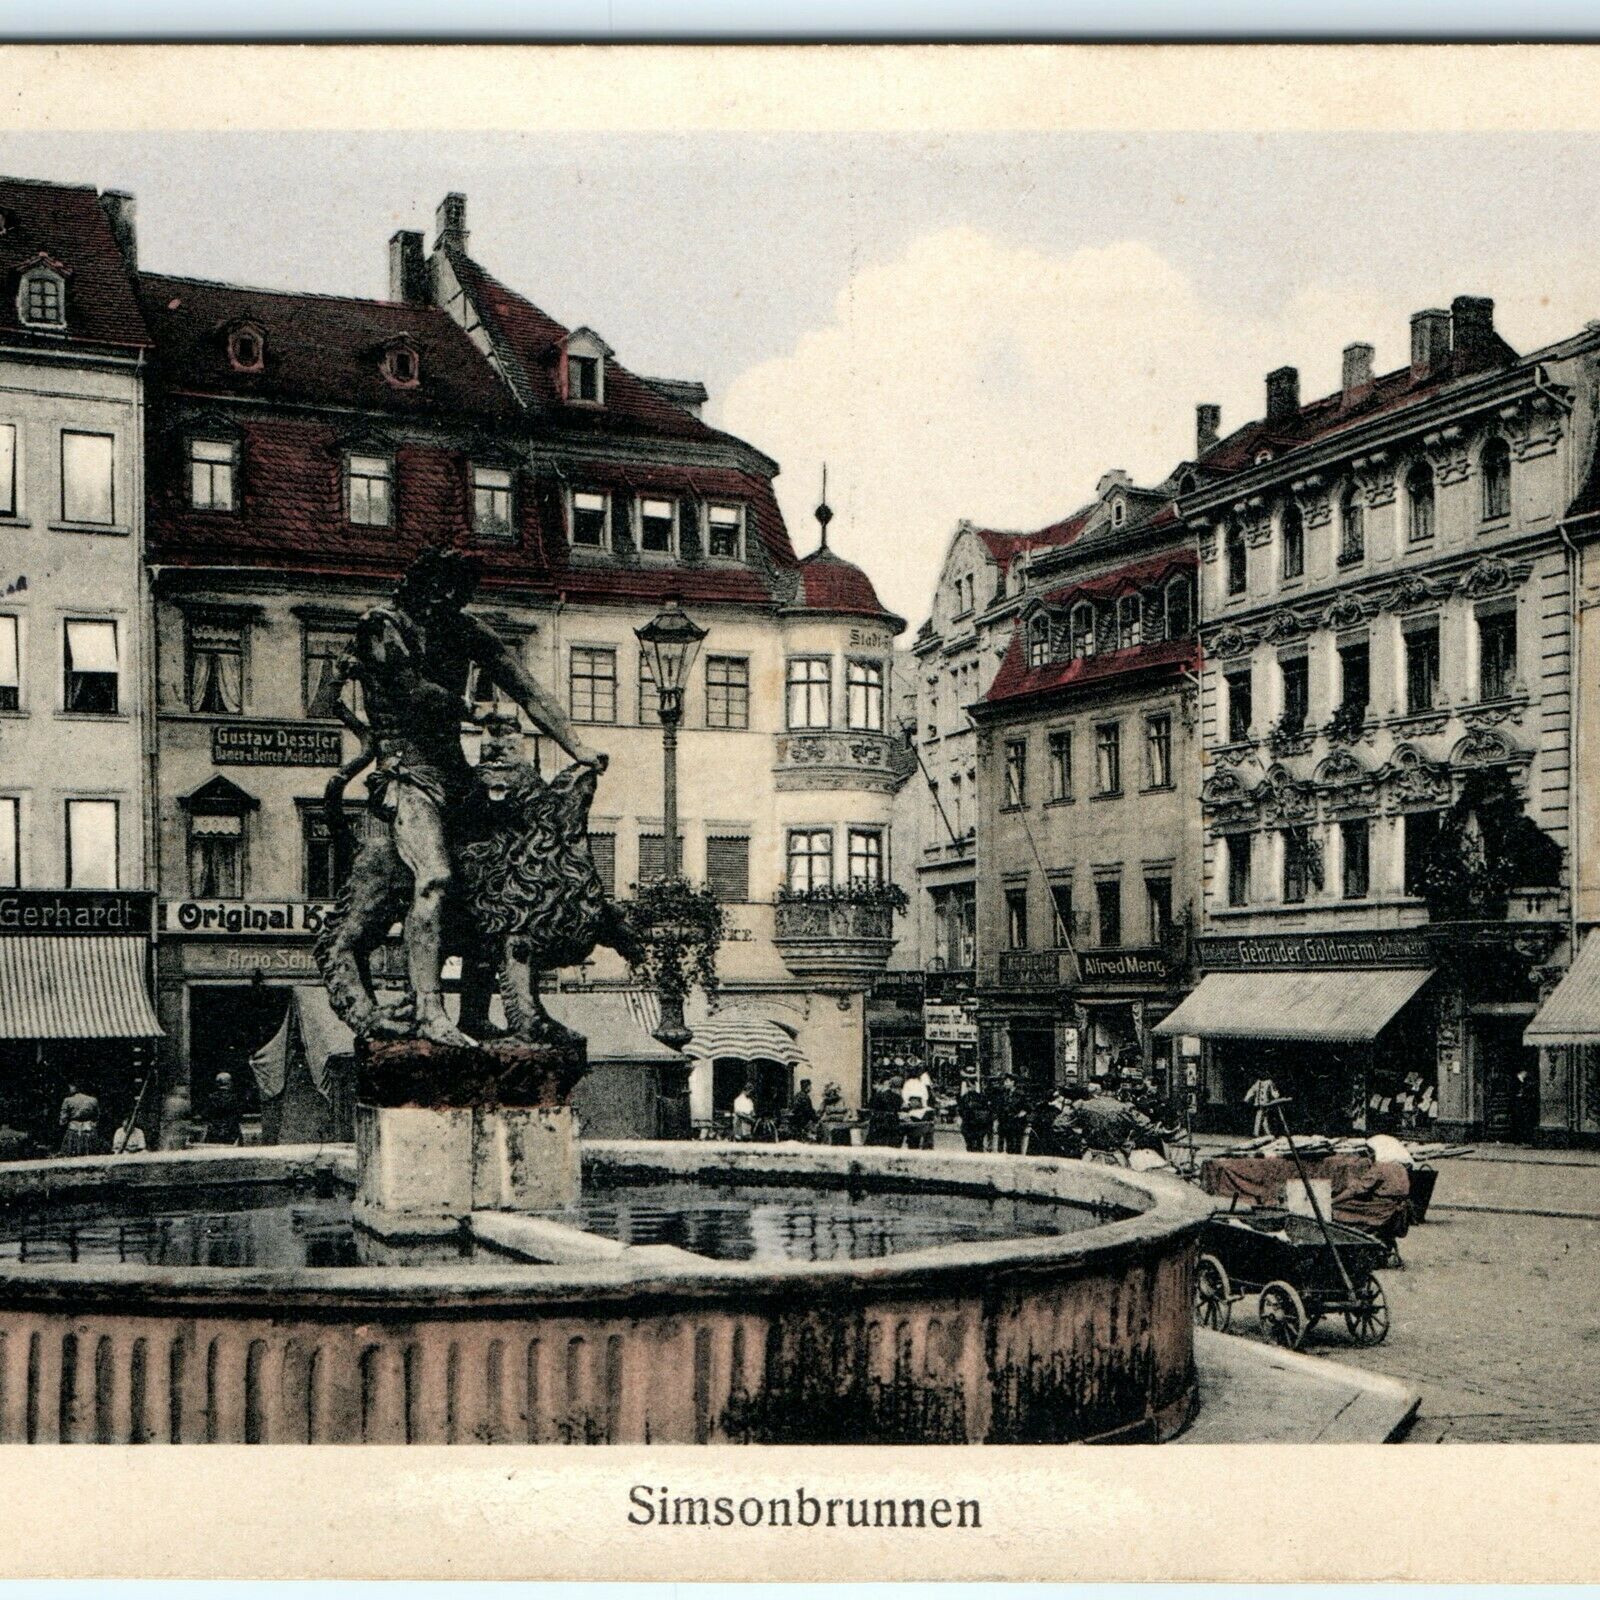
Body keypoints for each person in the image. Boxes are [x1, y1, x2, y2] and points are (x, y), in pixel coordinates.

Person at [321, 548, 608, 1047]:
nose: (451, 600)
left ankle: (477, 1013)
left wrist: (577, 747)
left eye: (460, 593)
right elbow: (412, 690)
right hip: (406, 775)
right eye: (443, 589)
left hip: (457, 778)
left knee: (503, 880)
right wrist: (474, 711)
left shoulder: (464, 627)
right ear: (418, 583)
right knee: (434, 879)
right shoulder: (380, 626)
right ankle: (431, 1011)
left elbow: (530, 691)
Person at [58, 1081, 101, 1157]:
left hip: (73, 1131)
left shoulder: (68, 1100)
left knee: (71, 1154)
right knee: (91, 1154)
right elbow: (97, 1117)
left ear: (75, 1087)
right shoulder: (93, 1100)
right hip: (89, 1131)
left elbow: (63, 1120)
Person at [202, 1072, 243, 1146]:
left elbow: (205, 1115)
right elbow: (239, 1115)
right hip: (231, 1131)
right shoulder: (235, 1098)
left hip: (214, 1131)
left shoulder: (211, 1098)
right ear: (229, 1083)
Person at [995, 1074, 1030, 1155]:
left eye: (1007, 1081)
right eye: (1005, 1081)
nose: (1005, 1083)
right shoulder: (1004, 1094)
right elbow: (1000, 1107)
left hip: (1016, 1122)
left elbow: (1028, 1107)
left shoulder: (1020, 1094)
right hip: (1005, 1121)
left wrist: (1023, 1112)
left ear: (1013, 1082)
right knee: (1008, 1142)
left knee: (1016, 1142)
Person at [957, 1078, 993, 1153]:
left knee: (972, 1144)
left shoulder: (968, 1097)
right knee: (975, 1144)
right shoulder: (977, 1097)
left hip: (976, 1124)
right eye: (968, 1086)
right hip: (973, 1124)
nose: (969, 1088)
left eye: (970, 1086)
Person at [866, 1076, 903, 1146]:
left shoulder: (877, 1096)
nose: (874, 1087)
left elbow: (870, 1108)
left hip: (878, 1127)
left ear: (881, 1085)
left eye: (875, 1085)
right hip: (893, 1128)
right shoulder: (898, 1097)